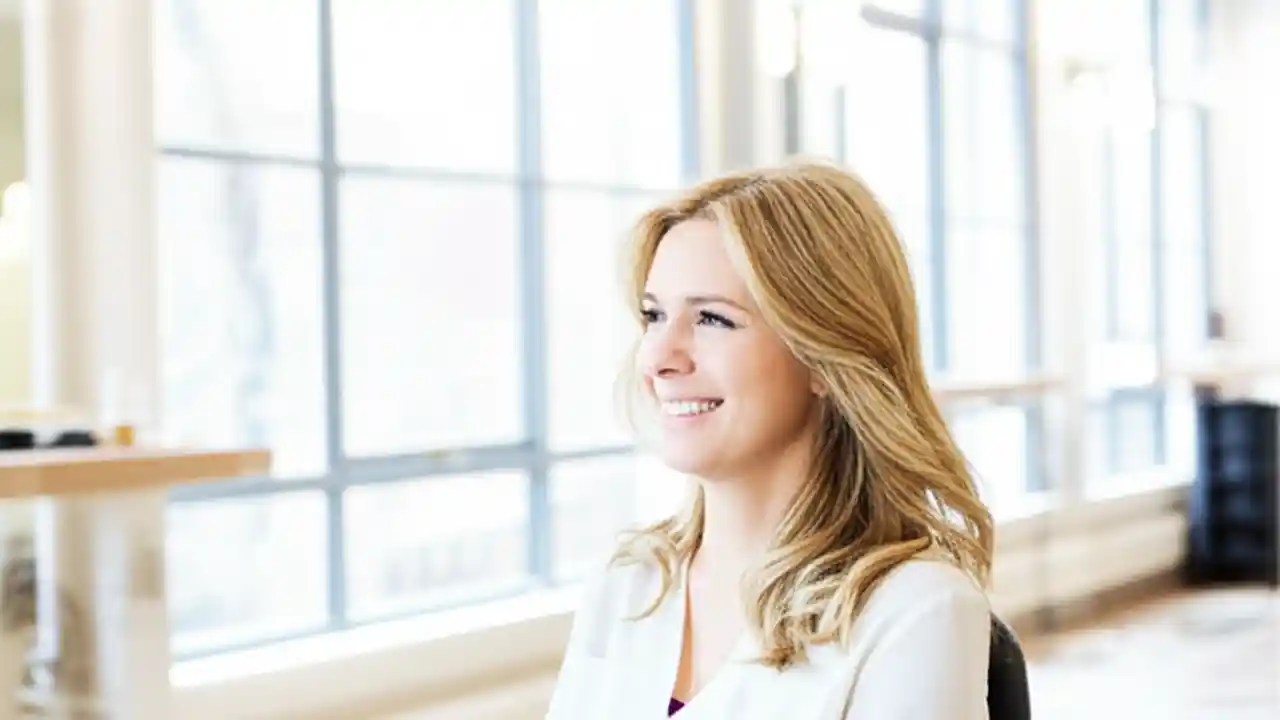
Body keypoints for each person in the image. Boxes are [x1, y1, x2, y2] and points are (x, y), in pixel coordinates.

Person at [545, 163, 994, 719]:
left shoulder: (916, 612)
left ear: (824, 357)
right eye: (653, 316)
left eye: (712, 319)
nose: (660, 358)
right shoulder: (630, 582)